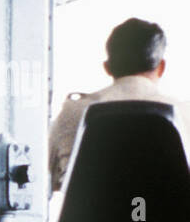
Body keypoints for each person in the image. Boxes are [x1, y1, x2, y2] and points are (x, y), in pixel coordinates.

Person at [49, 18, 182, 196]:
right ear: (161, 67)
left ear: (108, 67)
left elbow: (45, 180)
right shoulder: (184, 114)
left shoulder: (73, 112)